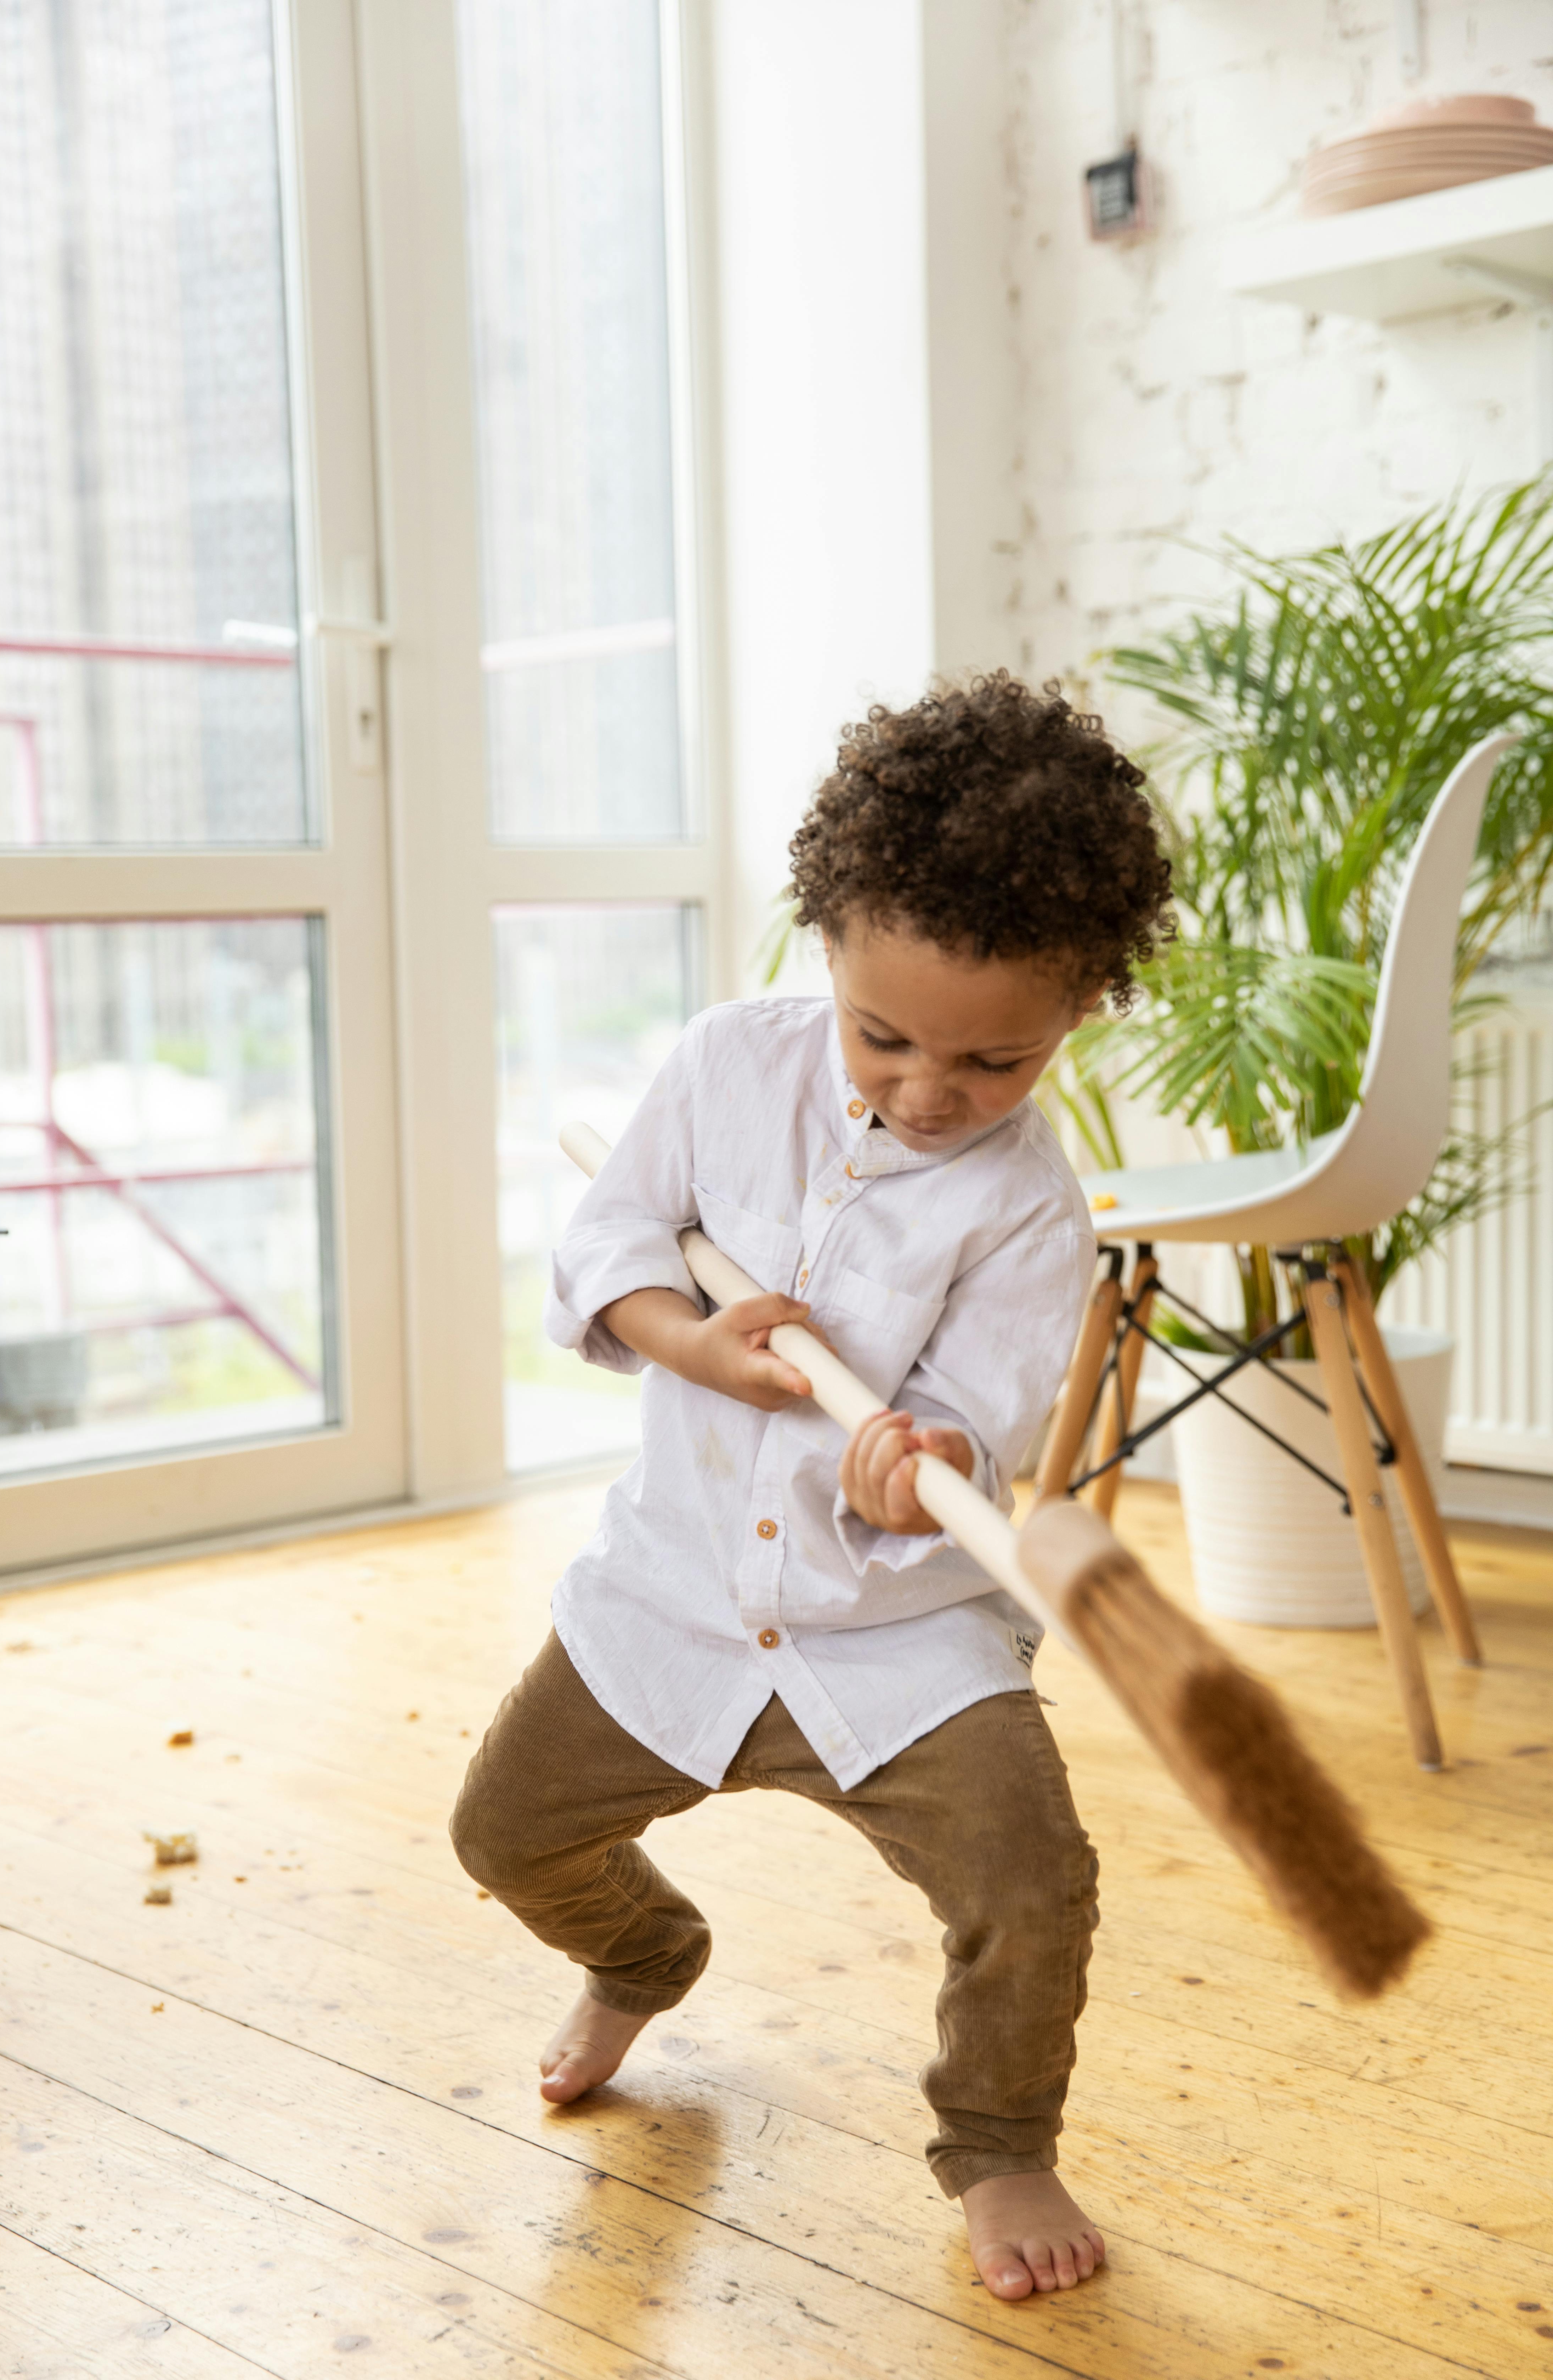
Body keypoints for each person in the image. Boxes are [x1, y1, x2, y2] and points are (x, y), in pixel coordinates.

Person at [451, 674, 1172, 2302]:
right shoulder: (722, 1068)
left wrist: (916, 1472)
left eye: (996, 1062)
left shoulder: (1032, 1216)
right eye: (883, 1036)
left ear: (1082, 1012)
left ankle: (998, 2144)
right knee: (501, 1832)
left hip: (893, 1631)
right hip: (677, 1598)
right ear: (826, 945)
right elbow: (612, 1243)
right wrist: (688, 1345)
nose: (927, 1093)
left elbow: (977, 1428)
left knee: (1032, 1883)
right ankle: (645, 1955)